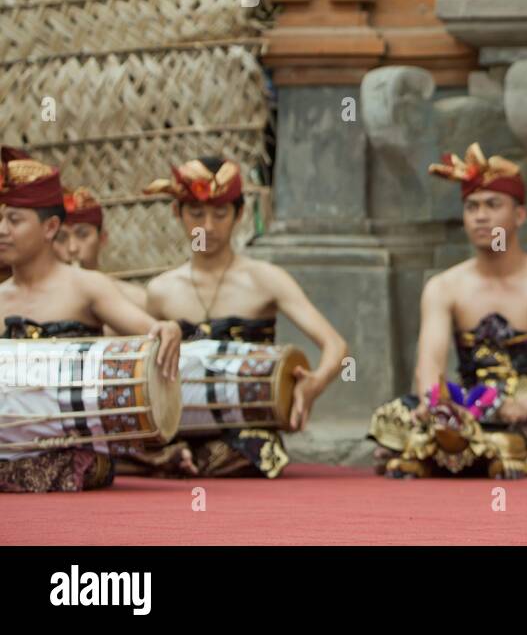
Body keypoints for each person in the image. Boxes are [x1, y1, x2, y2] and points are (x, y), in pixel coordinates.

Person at [370, 143, 527, 478]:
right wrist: (433, 403)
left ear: (520, 215)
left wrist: (525, 405)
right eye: (472, 207)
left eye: (493, 205)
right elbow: (431, 361)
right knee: (393, 416)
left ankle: (462, 455)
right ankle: (493, 452)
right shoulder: (444, 286)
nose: (481, 216)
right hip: (467, 405)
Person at [115, 156, 349, 478]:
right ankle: (174, 457)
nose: (208, 226)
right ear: (177, 213)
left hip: (244, 430)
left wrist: (314, 384)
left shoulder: (266, 279)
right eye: (196, 213)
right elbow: (141, 367)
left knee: (251, 451)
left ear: (239, 214)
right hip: (179, 425)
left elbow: (336, 346)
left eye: (220, 213)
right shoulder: (161, 291)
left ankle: (181, 463)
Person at [0, 147, 181, 492]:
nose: (2, 229)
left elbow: (150, 330)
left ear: (51, 226)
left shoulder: (87, 286)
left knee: (67, 466)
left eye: (15, 220)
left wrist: (166, 329)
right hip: (10, 443)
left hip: (76, 447)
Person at [52, 186, 148, 310]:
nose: (72, 248)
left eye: (83, 235)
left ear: (102, 238)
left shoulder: (136, 301)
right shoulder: (36, 305)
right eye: (60, 238)